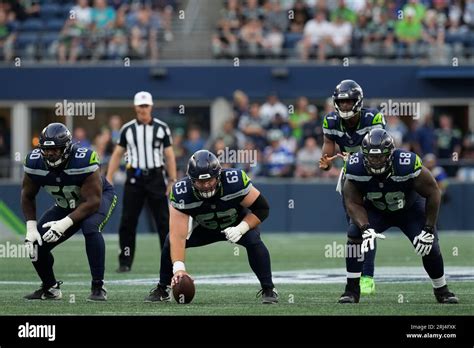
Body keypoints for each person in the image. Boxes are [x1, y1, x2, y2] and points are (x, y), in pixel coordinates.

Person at [339, 129, 458, 304]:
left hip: (409, 210)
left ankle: (442, 290)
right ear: (364, 155)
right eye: (371, 156)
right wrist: (365, 227)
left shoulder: (406, 163)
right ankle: (351, 291)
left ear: (391, 154)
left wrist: (428, 228)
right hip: (375, 210)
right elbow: (352, 202)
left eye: (380, 156)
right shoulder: (355, 166)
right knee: (354, 234)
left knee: (429, 246)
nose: (375, 160)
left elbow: (433, 192)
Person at [144, 150, 278, 304]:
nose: (206, 185)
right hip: (204, 228)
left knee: (254, 240)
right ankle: (163, 288)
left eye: (210, 180)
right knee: (169, 241)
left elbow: (262, 208)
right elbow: (177, 235)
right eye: (200, 182)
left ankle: (268, 288)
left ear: (218, 176)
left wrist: (241, 228)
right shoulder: (182, 192)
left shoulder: (235, 180)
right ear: (191, 180)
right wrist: (179, 268)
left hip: (235, 225)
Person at [22, 123, 117, 301]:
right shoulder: (34, 162)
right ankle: (50, 288)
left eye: (56, 150)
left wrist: (64, 223)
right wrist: (31, 227)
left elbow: (93, 201)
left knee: (90, 227)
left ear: (66, 148)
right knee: (35, 245)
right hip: (66, 204)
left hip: (97, 199)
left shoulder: (84, 159)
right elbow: (27, 196)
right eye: (47, 149)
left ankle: (98, 286)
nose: (50, 154)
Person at [318, 79, 386, 295]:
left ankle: (367, 276)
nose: (345, 106)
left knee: (368, 227)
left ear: (358, 102)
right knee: (356, 228)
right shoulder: (330, 121)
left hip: (375, 173)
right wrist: (326, 162)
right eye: (342, 102)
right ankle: (357, 278)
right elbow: (327, 154)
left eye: (349, 102)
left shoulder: (372, 118)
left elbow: (378, 146)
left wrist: (357, 158)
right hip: (352, 177)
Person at [107, 91, 177, 273]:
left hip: (156, 177)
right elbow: (117, 154)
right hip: (134, 177)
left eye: (146, 106)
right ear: (135, 107)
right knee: (128, 221)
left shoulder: (162, 128)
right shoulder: (127, 129)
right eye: (140, 105)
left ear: (151, 107)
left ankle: (169, 259)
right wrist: (108, 178)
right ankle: (125, 261)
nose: (143, 109)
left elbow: (169, 156)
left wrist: (172, 180)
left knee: (163, 221)